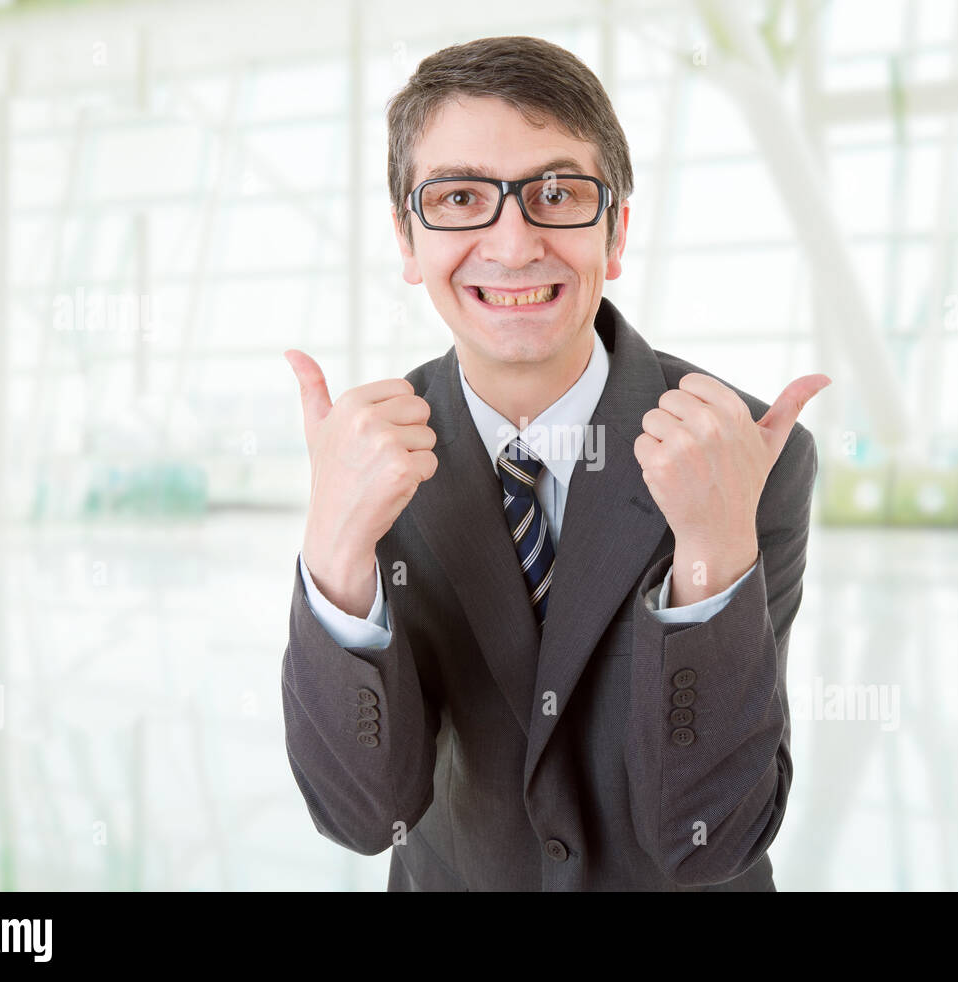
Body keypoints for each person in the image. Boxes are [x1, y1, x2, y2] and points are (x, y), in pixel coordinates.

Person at [280, 35, 830, 891]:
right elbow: (360, 817)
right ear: (407, 237)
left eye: (557, 193)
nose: (512, 242)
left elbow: (714, 840)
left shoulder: (749, 453)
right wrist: (336, 561)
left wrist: (713, 564)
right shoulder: (369, 460)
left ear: (613, 234)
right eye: (460, 196)